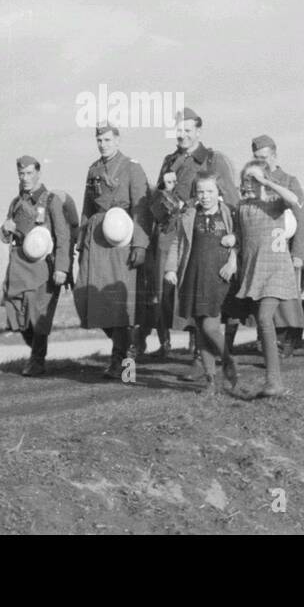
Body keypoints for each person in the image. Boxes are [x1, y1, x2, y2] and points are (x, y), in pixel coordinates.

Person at [148, 107, 238, 363]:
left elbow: (231, 202)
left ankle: (200, 353)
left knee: (199, 295)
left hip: (201, 236)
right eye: (178, 131)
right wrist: (165, 190)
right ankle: (177, 347)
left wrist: (232, 242)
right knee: (170, 293)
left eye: (188, 130)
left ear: (198, 131)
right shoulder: (169, 161)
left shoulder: (212, 159)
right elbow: (156, 207)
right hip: (170, 234)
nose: (183, 135)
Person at [73, 125, 151, 379]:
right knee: (94, 299)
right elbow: (86, 207)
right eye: (99, 139)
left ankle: (125, 366)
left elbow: (142, 209)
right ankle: (128, 347)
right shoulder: (93, 169)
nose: (103, 144)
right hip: (96, 240)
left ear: (117, 140)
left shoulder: (132, 167)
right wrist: (81, 240)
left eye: (107, 139)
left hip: (122, 239)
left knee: (122, 307)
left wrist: (139, 244)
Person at [232, 159, 304, 398]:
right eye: (247, 179)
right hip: (255, 271)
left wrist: (265, 181)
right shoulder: (242, 207)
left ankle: (274, 382)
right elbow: (239, 238)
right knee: (258, 321)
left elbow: (294, 201)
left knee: (264, 318)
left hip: (276, 269)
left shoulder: (275, 204)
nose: (250, 184)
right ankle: (270, 380)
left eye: (254, 179)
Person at [162, 173, 238, 394]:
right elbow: (178, 242)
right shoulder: (189, 215)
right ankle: (211, 380)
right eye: (201, 192)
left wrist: (233, 257)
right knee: (200, 331)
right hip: (194, 276)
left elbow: (241, 239)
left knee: (210, 326)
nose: (205, 196)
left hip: (219, 277)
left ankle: (229, 362)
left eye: (210, 191)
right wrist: (170, 268)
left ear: (218, 192)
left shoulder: (228, 213)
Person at [0, 156, 73, 377]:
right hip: (19, 264)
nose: (25, 178)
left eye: (30, 173)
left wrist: (62, 268)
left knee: (38, 316)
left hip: (43, 267)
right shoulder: (15, 202)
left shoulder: (51, 201)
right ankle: (37, 353)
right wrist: (5, 228)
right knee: (17, 314)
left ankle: (37, 360)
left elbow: (63, 236)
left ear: (38, 173)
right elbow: (6, 235)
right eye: (22, 174)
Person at [250, 135, 304, 354]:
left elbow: (302, 219)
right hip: (260, 249)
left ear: (274, 155)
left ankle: (286, 339)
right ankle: (265, 339)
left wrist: (298, 252)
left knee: (285, 300)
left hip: (283, 247)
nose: (260, 161)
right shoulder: (251, 180)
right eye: (256, 157)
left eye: (263, 157)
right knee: (262, 296)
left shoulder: (289, 181)